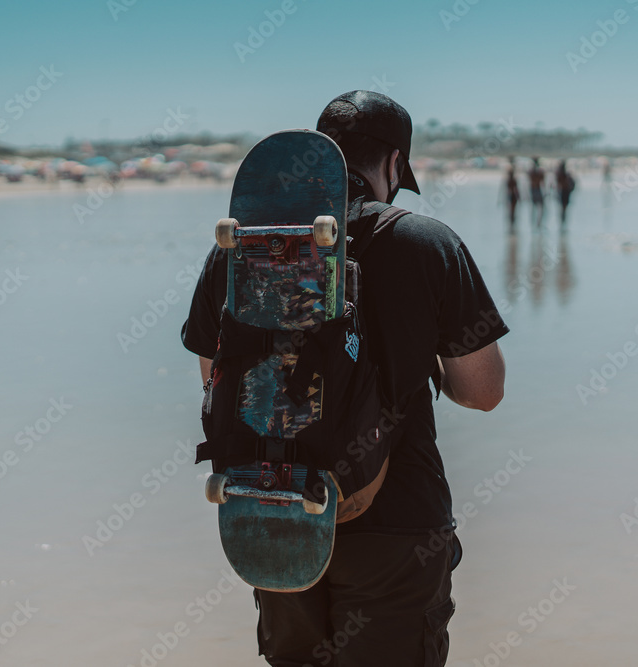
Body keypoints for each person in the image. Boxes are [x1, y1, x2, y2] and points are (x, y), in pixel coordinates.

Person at [181, 90, 508, 667]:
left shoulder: (240, 248)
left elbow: (215, 381)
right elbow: (483, 392)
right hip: (397, 522)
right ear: (394, 164)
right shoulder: (427, 243)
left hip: (275, 508)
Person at [555, 159, 576, 225]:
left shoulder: (563, 175)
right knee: (563, 208)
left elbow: (572, 183)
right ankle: (563, 220)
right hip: (564, 191)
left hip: (564, 191)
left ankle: (563, 220)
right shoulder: (562, 175)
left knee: (563, 208)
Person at [502, 157, 520, 230]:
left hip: (511, 195)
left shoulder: (510, 180)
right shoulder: (512, 180)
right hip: (512, 195)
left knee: (511, 210)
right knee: (512, 210)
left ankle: (511, 224)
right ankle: (512, 224)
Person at [528, 156, 545, 227]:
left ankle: (536, 222)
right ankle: (536, 222)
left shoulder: (533, 172)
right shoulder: (535, 172)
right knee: (537, 208)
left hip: (535, 190)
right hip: (536, 190)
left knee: (535, 208)